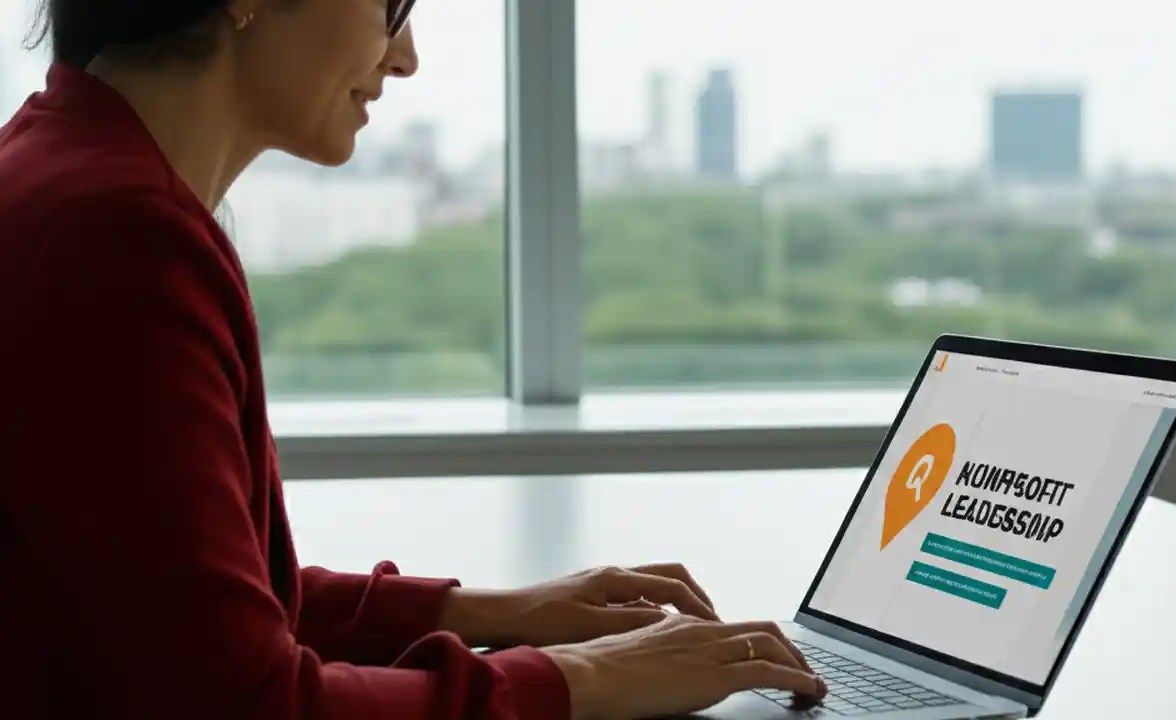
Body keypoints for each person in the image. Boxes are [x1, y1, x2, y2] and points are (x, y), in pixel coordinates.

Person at [0, 1, 829, 718]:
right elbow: (243, 702)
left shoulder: (59, 177)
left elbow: (190, 606)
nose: (405, 56)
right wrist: (583, 678)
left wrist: (496, 613)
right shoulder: (120, 240)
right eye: (388, 7)